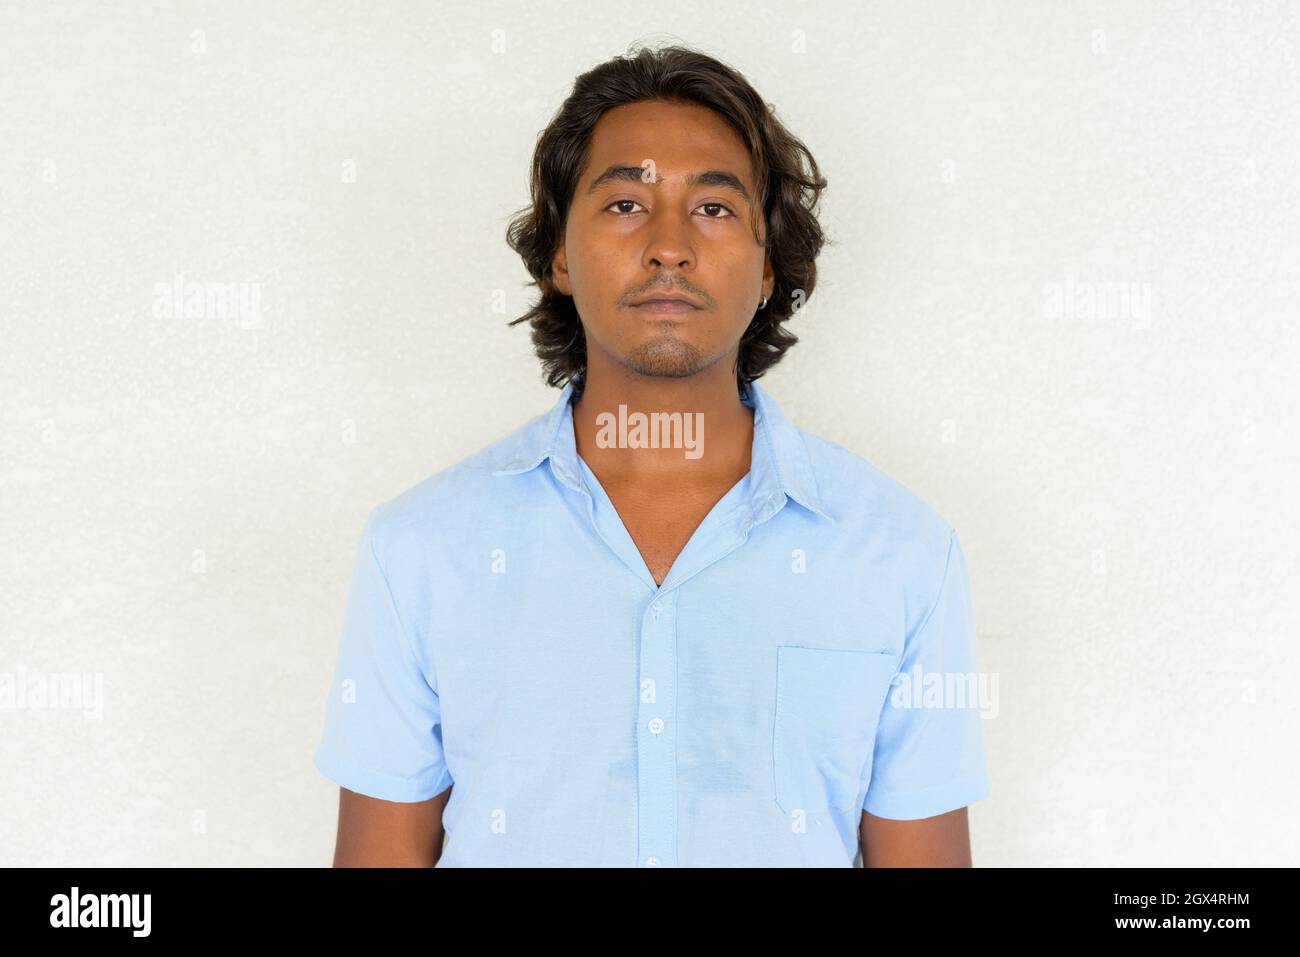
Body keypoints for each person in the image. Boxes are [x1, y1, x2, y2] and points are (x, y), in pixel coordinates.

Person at [313, 43, 991, 867]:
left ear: (769, 263)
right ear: (560, 254)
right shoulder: (419, 551)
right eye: (627, 203)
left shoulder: (902, 554)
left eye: (713, 208)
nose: (669, 246)